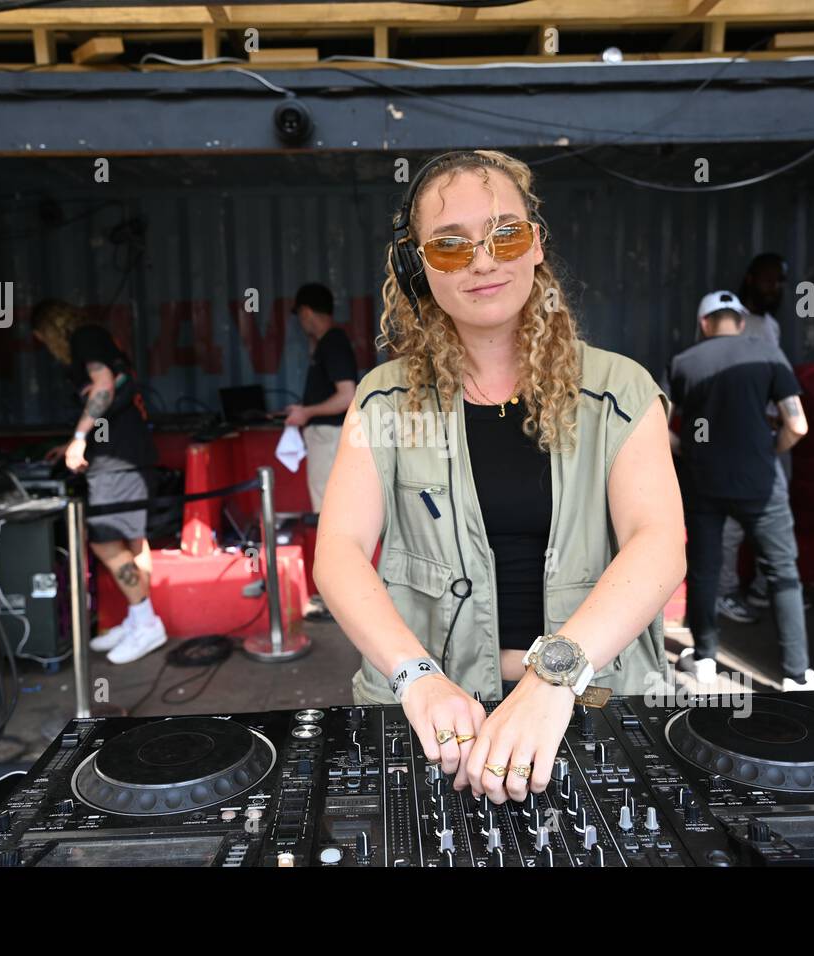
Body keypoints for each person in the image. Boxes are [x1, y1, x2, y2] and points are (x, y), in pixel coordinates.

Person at [313, 150, 685, 804]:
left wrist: (552, 680)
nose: (483, 261)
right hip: (434, 723)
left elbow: (659, 542)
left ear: (536, 244)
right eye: (450, 246)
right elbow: (339, 552)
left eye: (504, 233)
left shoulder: (621, 389)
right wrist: (416, 677)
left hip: (591, 703)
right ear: (418, 265)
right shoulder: (384, 400)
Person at [665, 290, 814, 692]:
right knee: (782, 574)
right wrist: (769, 452)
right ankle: (797, 675)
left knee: (705, 569)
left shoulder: (685, 362)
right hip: (761, 485)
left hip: (704, 481)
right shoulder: (767, 354)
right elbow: (798, 425)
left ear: (705, 324)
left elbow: (659, 425)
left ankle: (705, 657)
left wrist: (689, 452)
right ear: (741, 322)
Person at [32, 300, 167, 664]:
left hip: (118, 461)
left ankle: (147, 622)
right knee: (133, 540)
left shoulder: (85, 338)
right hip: (131, 453)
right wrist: (73, 443)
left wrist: (79, 438)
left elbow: (103, 387)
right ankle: (140, 618)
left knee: (106, 540)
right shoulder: (98, 338)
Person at [716, 253, 793, 625]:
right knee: (731, 523)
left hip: (771, 435)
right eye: (767, 280)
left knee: (771, 518)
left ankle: (767, 589)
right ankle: (725, 592)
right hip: (744, 436)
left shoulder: (769, 325)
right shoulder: (735, 324)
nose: (773, 288)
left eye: (779, 281)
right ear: (749, 278)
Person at [280, 283, 358, 618]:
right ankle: (340, 595)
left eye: (300, 315)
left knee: (333, 521)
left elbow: (347, 396)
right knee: (331, 519)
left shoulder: (333, 343)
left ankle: (341, 599)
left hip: (330, 438)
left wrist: (307, 413)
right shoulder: (325, 345)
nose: (300, 322)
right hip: (324, 437)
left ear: (307, 313)